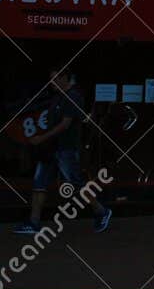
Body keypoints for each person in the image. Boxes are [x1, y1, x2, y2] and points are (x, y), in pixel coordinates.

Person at [14, 66, 111, 235]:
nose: (52, 83)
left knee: (76, 184)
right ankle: (33, 222)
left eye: (55, 79)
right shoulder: (58, 97)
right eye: (50, 79)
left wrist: (41, 138)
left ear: (65, 78)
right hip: (51, 149)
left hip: (66, 149)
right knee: (39, 184)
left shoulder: (73, 97)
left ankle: (101, 211)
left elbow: (65, 125)